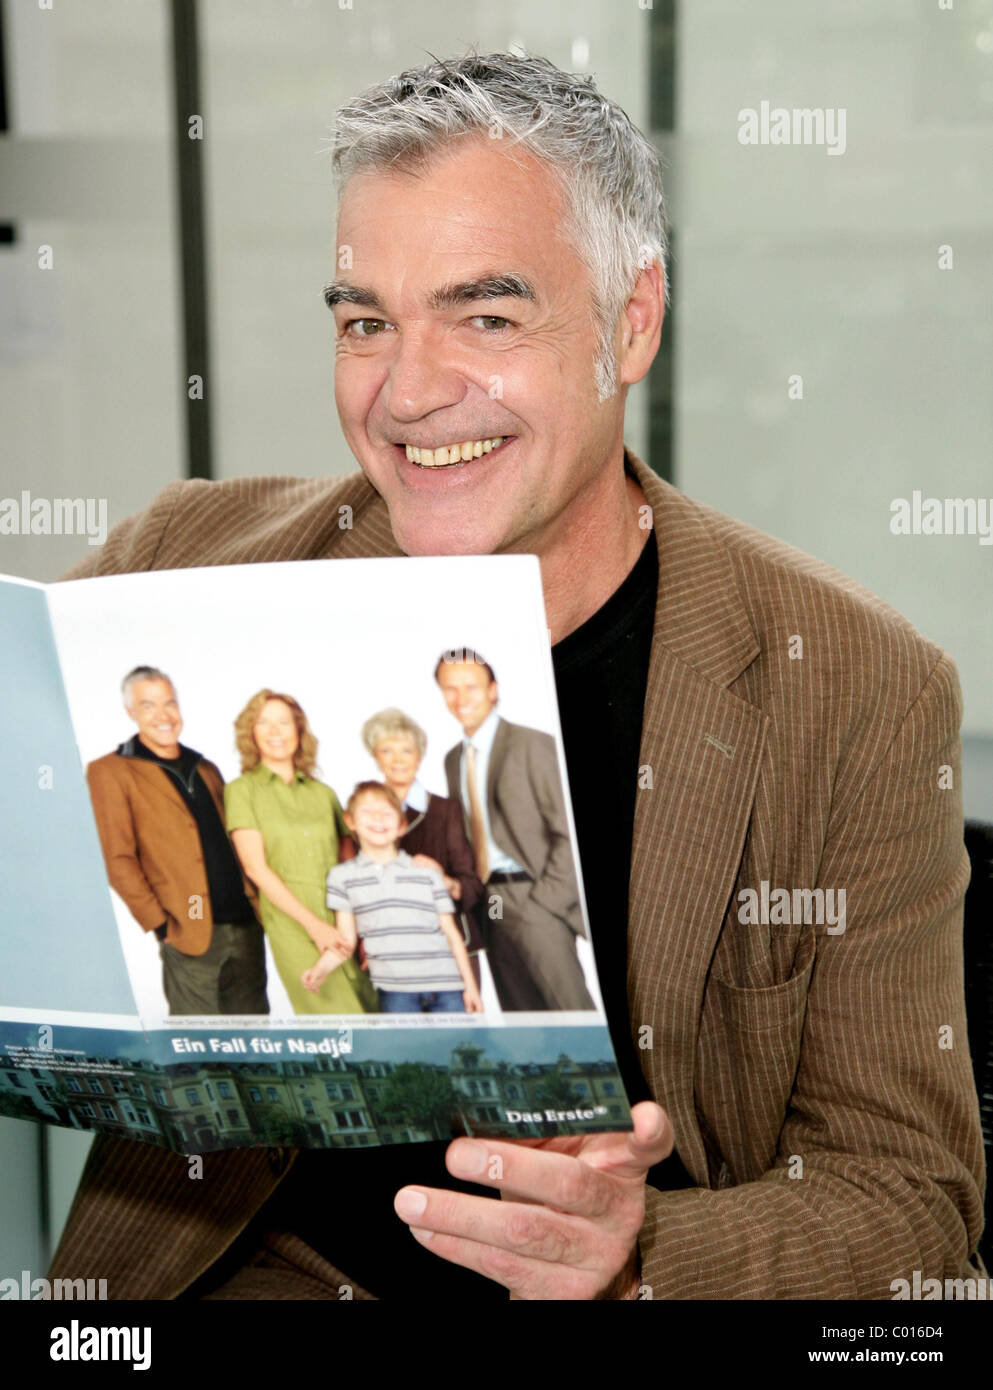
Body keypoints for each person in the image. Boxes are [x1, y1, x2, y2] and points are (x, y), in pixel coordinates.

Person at [51, 51, 984, 1300]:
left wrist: (639, 1256)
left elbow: (907, 1195)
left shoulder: (861, 689)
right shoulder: (183, 564)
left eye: (486, 317)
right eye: (366, 320)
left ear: (631, 323)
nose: (409, 392)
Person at [86, 666, 267, 1017]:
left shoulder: (206, 768)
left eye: (170, 703)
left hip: (245, 925)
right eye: (149, 705)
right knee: (200, 1047)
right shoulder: (111, 771)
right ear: (131, 712)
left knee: (253, 1041)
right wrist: (161, 924)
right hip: (192, 924)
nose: (163, 715)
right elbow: (116, 857)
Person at [436, 650, 594, 1011]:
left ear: (493, 690)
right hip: (489, 905)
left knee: (570, 1011)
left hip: (534, 895)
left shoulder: (531, 745)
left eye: (471, 687)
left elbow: (566, 828)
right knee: (523, 1017)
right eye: (450, 689)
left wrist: (548, 900)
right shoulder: (452, 759)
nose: (461, 699)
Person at [224, 689, 376, 1015]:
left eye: (284, 722)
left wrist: (359, 928)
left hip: (341, 914)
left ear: (299, 731)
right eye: (264, 723)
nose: (275, 732)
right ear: (250, 733)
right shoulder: (241, 791)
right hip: (292, 921)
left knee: (370, 1009)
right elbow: (255, 868)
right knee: (333, 1015)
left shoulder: (324, 794)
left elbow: (349, 864)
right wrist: (314, 926)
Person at [304, 781, 483, 1015]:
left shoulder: (426, 872)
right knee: (405, 1052)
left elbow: (451, 933)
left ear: (401, 826)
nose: (378, 819)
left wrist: (470, 987)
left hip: (447, 987)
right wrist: (321, 969)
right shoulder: (342, 877)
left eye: (387, 813)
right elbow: (346, 939)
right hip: (395, 991)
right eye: (368, 812)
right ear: (350, 821)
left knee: (456, 1050)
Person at [362, 706, 485, 988]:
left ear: (420, 756)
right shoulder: (363, 811)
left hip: (450, 948)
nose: (398, 760)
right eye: (387, 751)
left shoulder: (446, 810)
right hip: (392, 950)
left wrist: (447, 882)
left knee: (464, 1033)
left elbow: (473, 885)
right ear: (374, 757)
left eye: (407, 750)